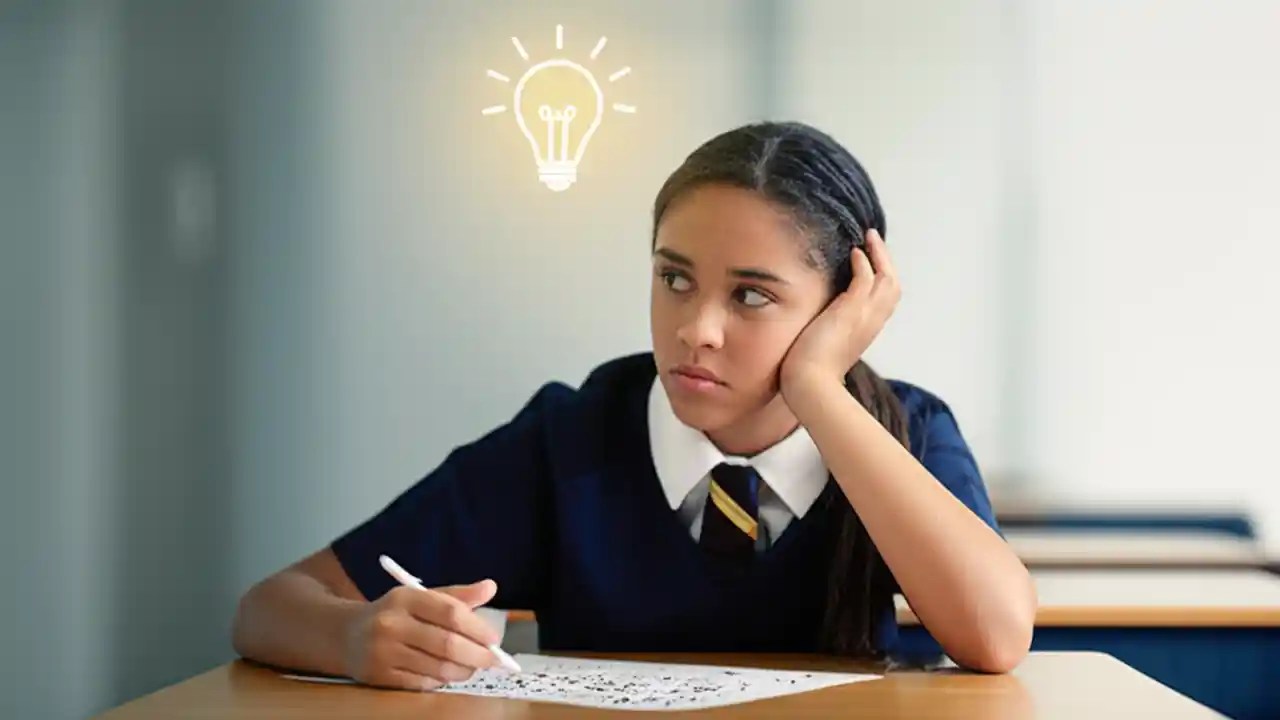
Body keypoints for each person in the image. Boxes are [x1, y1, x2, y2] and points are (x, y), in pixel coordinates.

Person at [231, 121, 1036, 691]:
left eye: (751, 296)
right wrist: (353, 638)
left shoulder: (907, 431)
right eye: (674, 278)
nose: (695, 330)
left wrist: (819, 387)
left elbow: (997, 638)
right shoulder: (570, 438)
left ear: (844, 307)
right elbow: (269, 607)